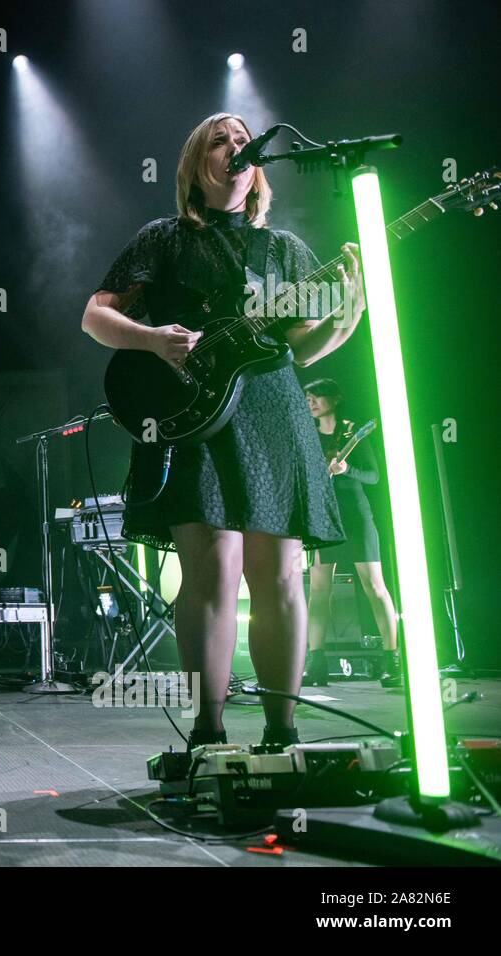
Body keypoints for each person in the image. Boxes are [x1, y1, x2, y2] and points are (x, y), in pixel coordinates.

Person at [81, 113, 366, 749]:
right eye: (220, 140)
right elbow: (95, 317)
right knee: (210, 571)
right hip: (195, 412)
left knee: (281, 574)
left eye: (243, 142)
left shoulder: (286, 250)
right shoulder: (163, 239)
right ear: (195, 166)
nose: (235, 148)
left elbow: (302, 348)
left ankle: (280, 731)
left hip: (274, 411)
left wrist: (348, 315)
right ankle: (207, 733)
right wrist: (154, 340)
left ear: (258, 167)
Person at [302, 379, 401, 687]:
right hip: (323, 518)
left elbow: (374, 476)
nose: (312, 401)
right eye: (308, 397)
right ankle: (315, 664)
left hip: (356, 518)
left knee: (375, 586)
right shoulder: (308, 435)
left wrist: (348, 471)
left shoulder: (353, 433)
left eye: (318, 396)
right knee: (318, 591)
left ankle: (392, 661)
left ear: (336, 398)